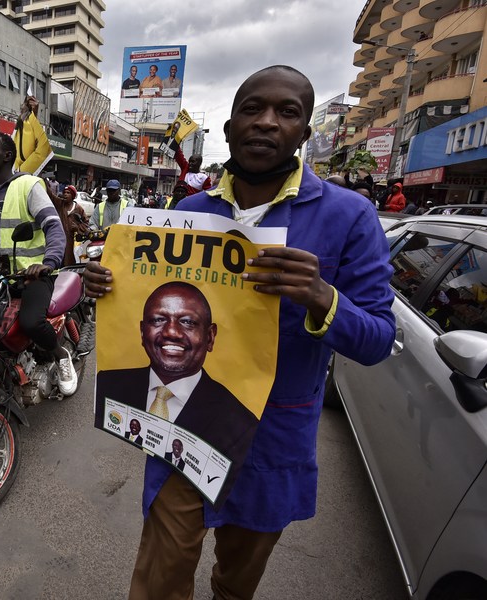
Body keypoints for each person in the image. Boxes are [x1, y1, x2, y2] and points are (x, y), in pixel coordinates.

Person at [84, 65, 395, 600]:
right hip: (181, 431)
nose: (267, 123)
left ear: (304, 132)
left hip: (271, 438)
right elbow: (150, 301)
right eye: (253, 109)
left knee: (235, 581)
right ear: (228, 128)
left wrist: (323, 298)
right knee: (160, 575)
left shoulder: (351, 217)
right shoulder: (188, 212)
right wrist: (109, 285)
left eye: (287, 112)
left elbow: (377, 339)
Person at [95, 282, 256, 468]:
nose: (171, 331)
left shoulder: (238, 422)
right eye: (158, 320)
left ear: (210, 337)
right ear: (141, 331)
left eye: (187, 322)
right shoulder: (108, 384)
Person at [0, 131, 77, 395]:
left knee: (31, 321)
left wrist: (48, 262)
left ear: (7, 156)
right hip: (3, 278)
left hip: (34, 275)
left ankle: (61, 355)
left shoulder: (29, 185)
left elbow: (54, 227)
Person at [56, 184, 89, 266]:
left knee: (71, 261)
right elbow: (52, 197)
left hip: (73, 241)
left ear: (73, 196)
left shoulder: (78, 209)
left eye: (68, 193)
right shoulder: (60, 205)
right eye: (65, 192)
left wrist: (77, 228)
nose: (65, 194)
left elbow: (86, 224)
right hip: (60, 240)